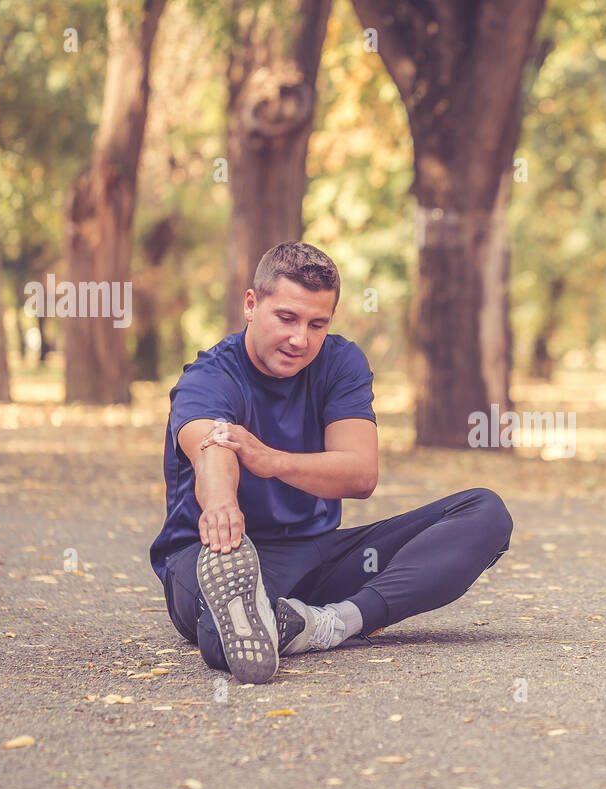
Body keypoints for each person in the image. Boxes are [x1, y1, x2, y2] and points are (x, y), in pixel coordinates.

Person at [149, 241, 513, 684]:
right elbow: (212, 448)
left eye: (316, 324)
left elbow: (360, 475)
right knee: (219, 631)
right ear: (251, 304)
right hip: (218, 554)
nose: (300, 339)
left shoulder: (340, 363)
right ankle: (249, 615)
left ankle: (330, 624)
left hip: (318, 558)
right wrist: (223, 506)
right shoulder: (209, 377)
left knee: (485, 513)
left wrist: (271, 460)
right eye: (287, 318)